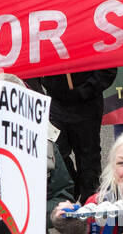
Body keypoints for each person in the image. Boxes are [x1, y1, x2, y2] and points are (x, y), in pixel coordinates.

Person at [40, 67, 118, 203]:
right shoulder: (45, 46)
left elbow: (107, 70)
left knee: (88, 156)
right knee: (56, 153)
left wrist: (84, 91)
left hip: (87, 104)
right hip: (57, 103)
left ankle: (90, 203)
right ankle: (70, 189)